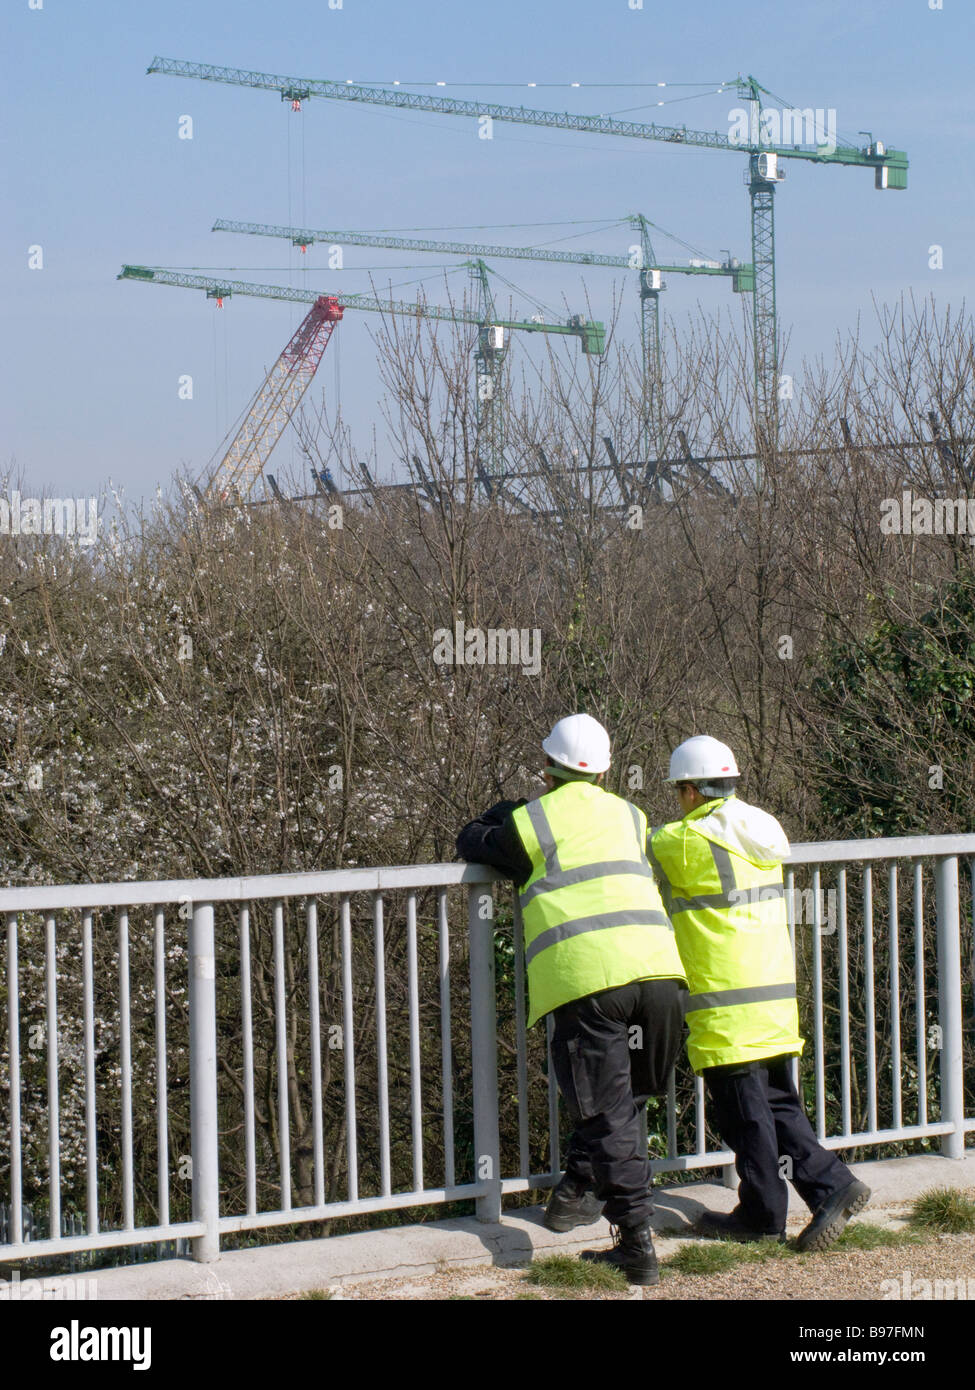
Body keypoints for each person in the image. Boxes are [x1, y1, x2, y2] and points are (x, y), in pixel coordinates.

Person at [456, 713, 687, 1285]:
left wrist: (499, 813)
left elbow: (472, 842)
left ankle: (636, 1243)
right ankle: (579, 1188)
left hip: (588, 981)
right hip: (659, 974)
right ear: (606, 770)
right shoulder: (633, 815)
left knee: (608, 1110)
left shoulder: (533, 820)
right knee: (632, 1097)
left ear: (548, 767)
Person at [648, 735, 870, 1250]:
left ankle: (763, 1217)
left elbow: (635, 844)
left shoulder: (685, 841)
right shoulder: (760, 829)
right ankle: (834, 1187)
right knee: (777, 1105)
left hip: (727, 1004)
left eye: (678, 790)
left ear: (690, 790)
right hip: (770, 997)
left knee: (745, 1115)